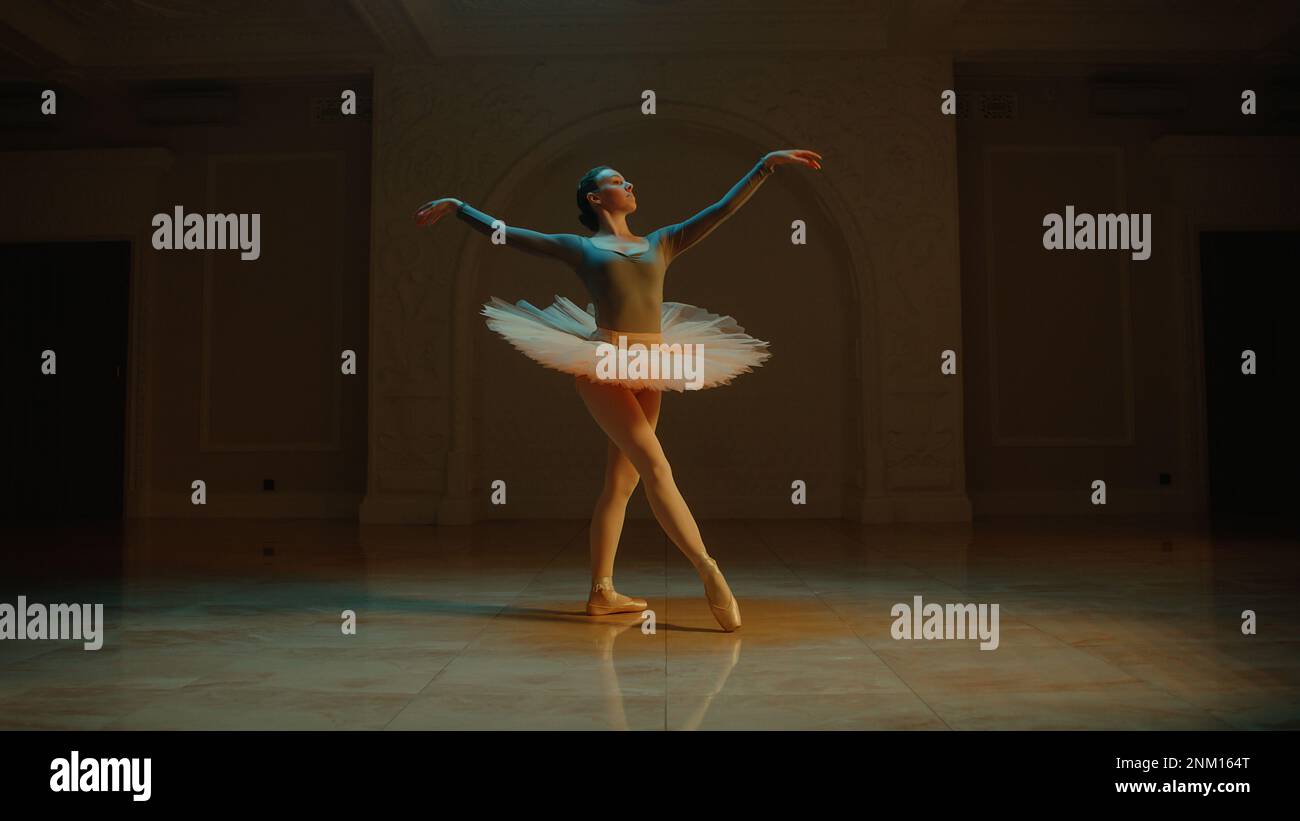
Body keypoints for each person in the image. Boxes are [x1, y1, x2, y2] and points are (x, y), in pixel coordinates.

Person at [416, 148, 822, 631]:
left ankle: (601, 592)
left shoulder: (662, 242)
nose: (629, 186)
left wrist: (765, 165)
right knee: (656, 465)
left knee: (622, 482)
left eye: (629, 181)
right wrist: (462, 209)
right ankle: (709, 570)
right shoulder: (580, 247)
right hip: (603, 360)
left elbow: (721, 210)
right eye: (617, 181)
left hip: (651, 362)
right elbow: (509, 234)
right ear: (595, 196)